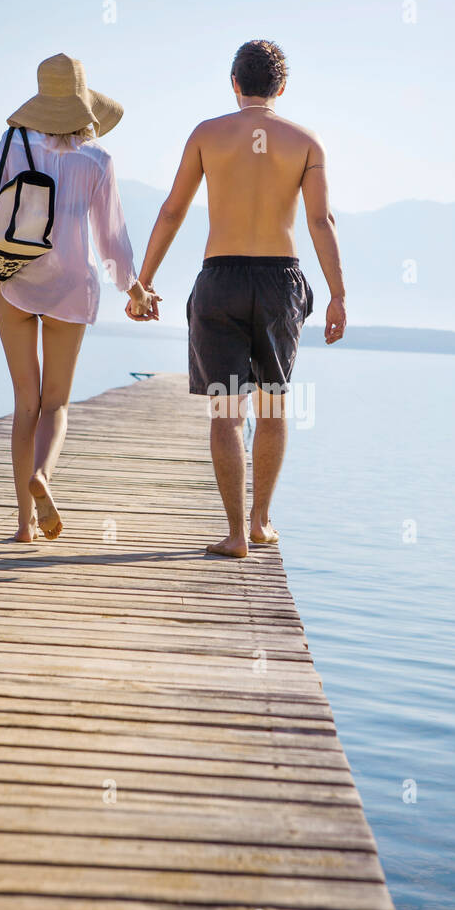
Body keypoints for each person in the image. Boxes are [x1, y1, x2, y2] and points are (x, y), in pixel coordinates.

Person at [129, 39, 346, 558]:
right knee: (271, 407)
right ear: (282, 87)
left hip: (220, 278)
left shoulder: (207, 134)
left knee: (226, 411)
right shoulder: (306, 142)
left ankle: (233, 534)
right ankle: (261, 522)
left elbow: (172, 211)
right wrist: (338, 294)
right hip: (279, 280)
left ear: (234, 83)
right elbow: (321, 221)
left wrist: (144, 280)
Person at [0, 53, 157, 543]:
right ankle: (44, 473)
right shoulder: (99, 159)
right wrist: (136, 290)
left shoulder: (13, 144)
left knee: (26, 402)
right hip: (71, 288)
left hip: (15, 282)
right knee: (56, 405)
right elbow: (111, 241)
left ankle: (22, 525)